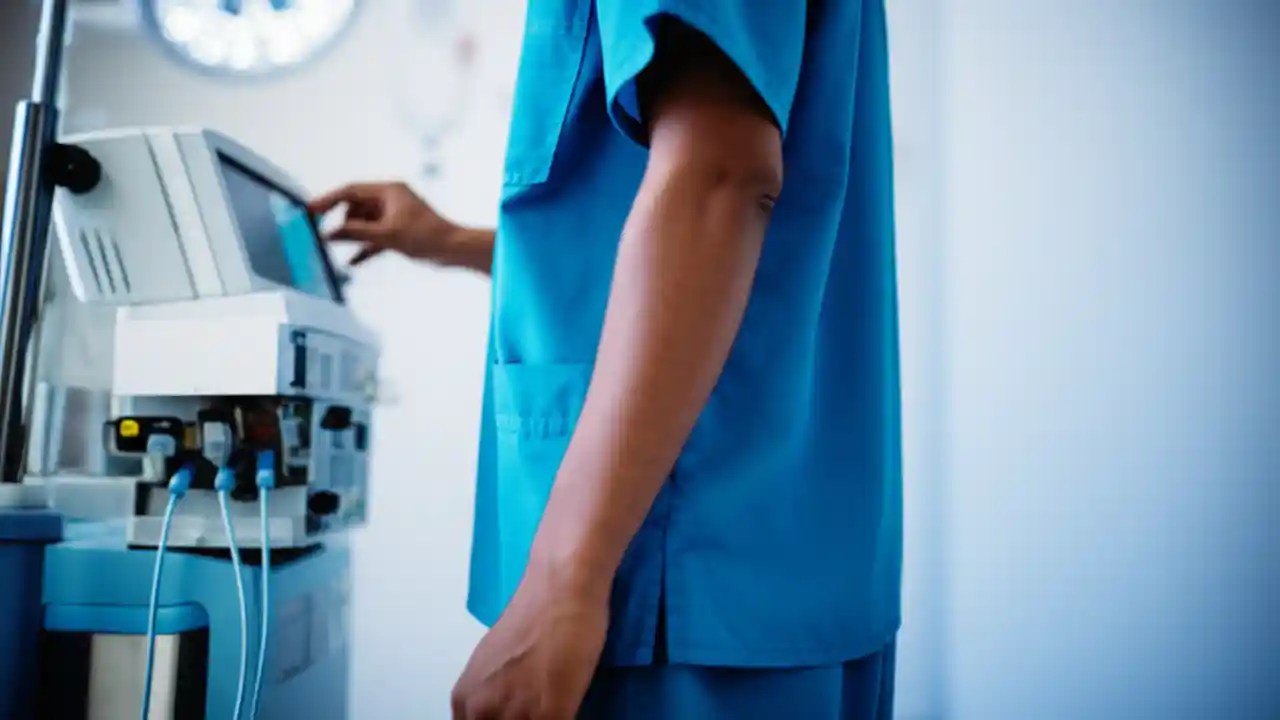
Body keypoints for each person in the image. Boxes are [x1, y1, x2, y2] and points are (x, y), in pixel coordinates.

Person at [312, 0, 901, 717]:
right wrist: (450, 241)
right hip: (746, 555)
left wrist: (567, 579)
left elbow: (719, 177)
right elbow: (676, 237)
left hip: (674, 572)